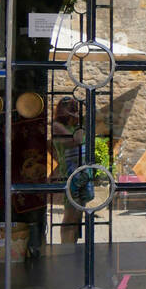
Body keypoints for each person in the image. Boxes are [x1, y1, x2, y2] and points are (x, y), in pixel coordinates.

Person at [50, 96, 86, 244]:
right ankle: (66, 248)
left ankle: (73, 245)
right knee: (70, 214)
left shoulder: (76, 126)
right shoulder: (57, 125)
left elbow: (81, 137)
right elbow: (76, 140)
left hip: (81, 173)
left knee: (77, 214)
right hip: (70, 174)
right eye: (70, 109)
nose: (73, 111)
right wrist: (78, 122)